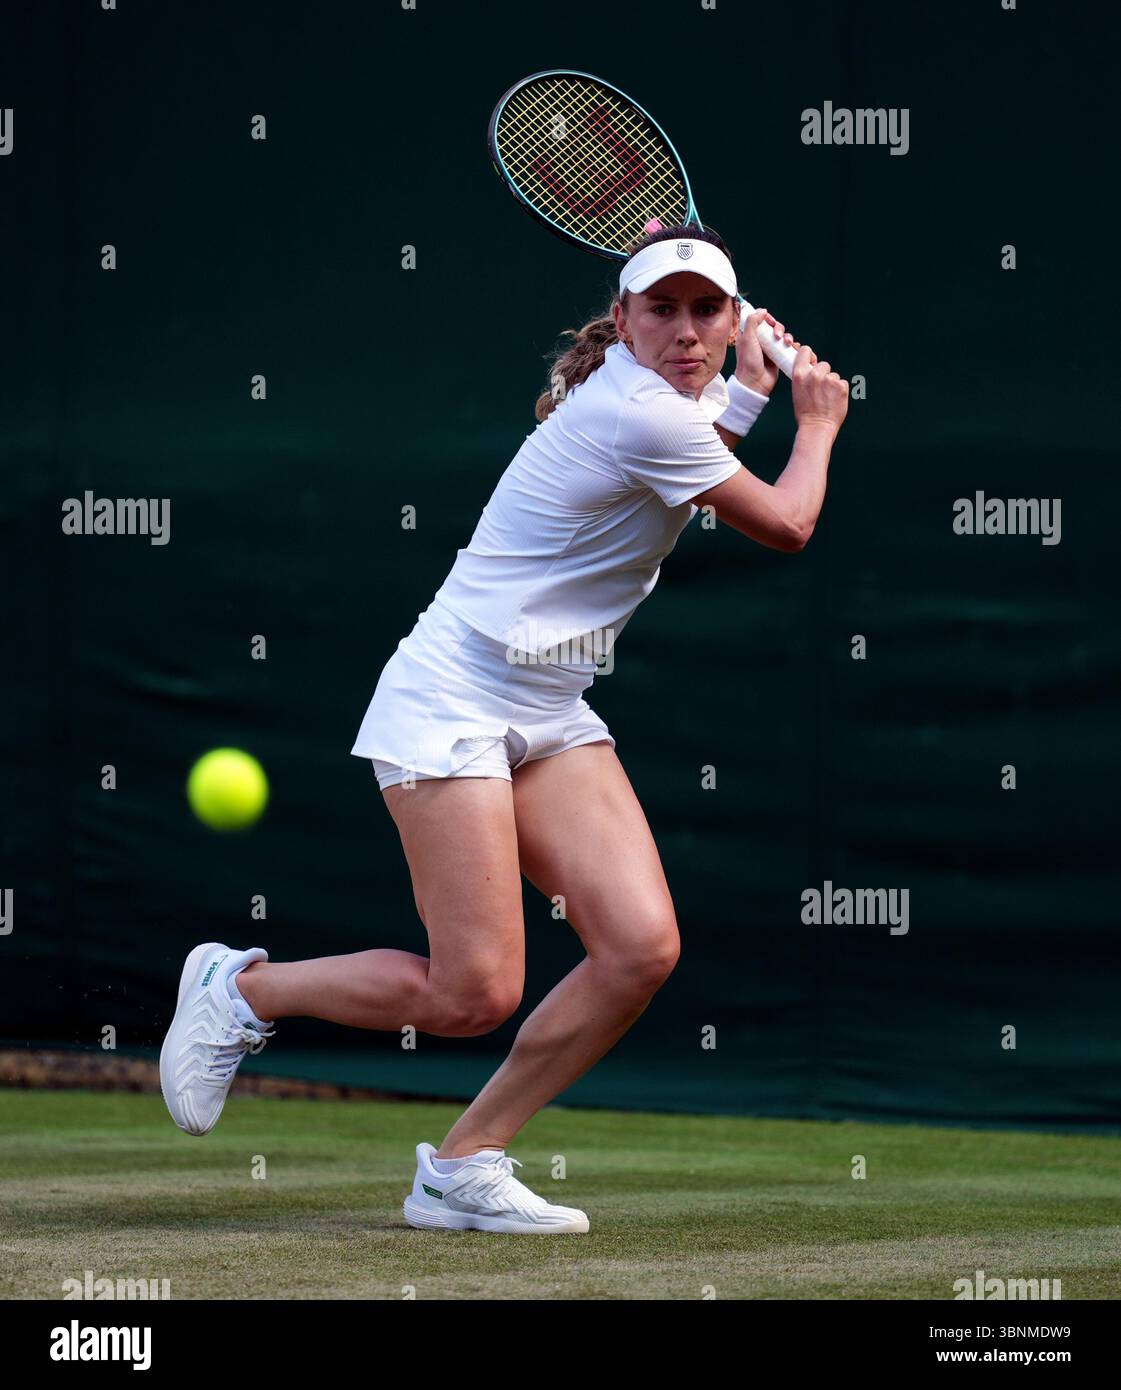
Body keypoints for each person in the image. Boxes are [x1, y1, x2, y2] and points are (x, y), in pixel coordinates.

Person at [159, 223, 849, 1235]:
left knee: (639, 947)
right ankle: (244, 989)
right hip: (452, 698)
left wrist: (745, 393)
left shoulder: (656, 406)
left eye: (707, 311)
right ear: (622, 321)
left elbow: (691, 461)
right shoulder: (638, 410)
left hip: (546, 704)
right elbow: (783, 523)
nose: (685, 330)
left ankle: (462, 1163)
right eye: (661, 309)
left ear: (732, 319)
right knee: (471, 992)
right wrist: (817, 419)